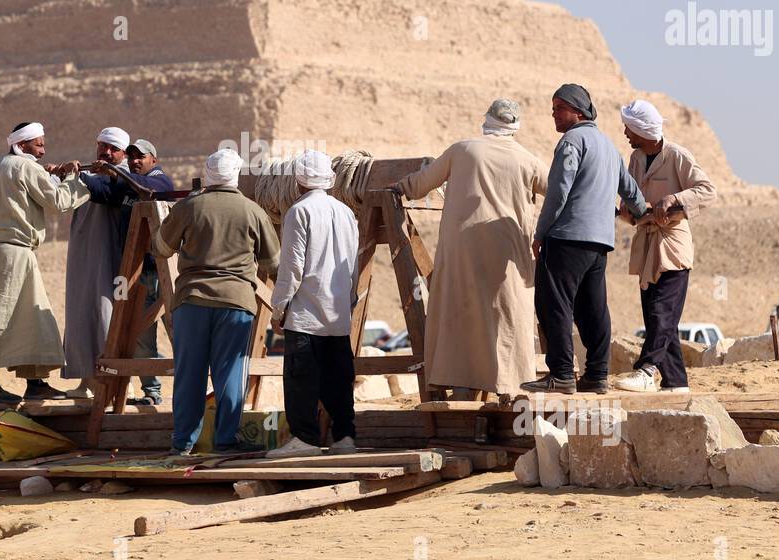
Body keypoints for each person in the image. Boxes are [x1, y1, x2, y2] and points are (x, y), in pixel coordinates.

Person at [393, 99, 548, 398]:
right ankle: (509, 387)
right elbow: (559, 191)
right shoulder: (528, 160)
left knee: (462, 312)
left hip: (462, 248)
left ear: (487, 120)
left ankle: (462, 385)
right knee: (506, 315)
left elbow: (419, 184)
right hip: (508, 253)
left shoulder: (462, 150)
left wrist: (397, 188)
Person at [153, 148, 279, 455]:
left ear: (208, 174)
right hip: (236, 302)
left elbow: (161, 247)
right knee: (231, 374)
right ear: (235, 175)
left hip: (192, 300)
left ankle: (183, 443)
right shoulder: (253, 211)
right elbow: (273, 263)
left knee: (189, 374)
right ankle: (226, 441)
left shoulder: (189, 206)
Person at [524, 84, 648, 395]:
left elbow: (558, 193)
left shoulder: (571, 142)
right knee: (593, 308)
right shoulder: (607, 145)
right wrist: (643, 213)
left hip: (566, 238)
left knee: (554, 305)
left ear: (577, 110)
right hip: (600, 243)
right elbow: (631, 192)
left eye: (558, 108)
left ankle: (562, 374)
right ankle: (596, 375)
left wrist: (540, 233)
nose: (553, 114)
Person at [0, 121, 89, 403]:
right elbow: (58, 203)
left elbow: (22, 196)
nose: (42, 151)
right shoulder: (25, 167)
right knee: (4, 312)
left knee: (32, 317)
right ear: (22, 144)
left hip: (0, 249)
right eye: (38, 145)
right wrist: (74, 178)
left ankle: (35, 383)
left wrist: (51, 176)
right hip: (14, 250)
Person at [610, 99, 717, 393]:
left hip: (672, 246)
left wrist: (675, 199)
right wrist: (626, 210)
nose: (625, 134)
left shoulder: (677, 156)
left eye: (629, 129)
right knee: (658, 317)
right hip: (647, 246)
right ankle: (676, 383)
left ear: (642, 130)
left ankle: (646, 371)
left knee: (661, 314)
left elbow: (707, 191)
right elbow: (631, 202)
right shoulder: (634, 158)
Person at [266, 151, 360, 457]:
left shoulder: (298, 211)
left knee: (301, 378)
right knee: (339, 379)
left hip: (306, 313)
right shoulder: (346, 213)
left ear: (299, 179)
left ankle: (304, 440)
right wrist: (349, 301)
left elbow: (291, 267)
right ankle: (345, 438)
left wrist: (279, 307)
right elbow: (353, 265)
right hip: (338, 313)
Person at [63, 127, 132, 400]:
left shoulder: (126, 177)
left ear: (123, 153)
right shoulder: (90, 175)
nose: (106, 152)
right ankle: (84, 380)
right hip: (81, 257)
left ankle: (114, 384)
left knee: (106, 315)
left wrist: (78, 174)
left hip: (108, 257)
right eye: (103, 146)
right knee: (79, 315)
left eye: (113, 148)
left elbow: (110, 192)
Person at [118, 139, 175, 406]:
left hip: (164, 272)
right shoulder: (129, 184)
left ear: (154, 159)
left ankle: (192, 390)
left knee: (179, 333)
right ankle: (151, 392)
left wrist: (116, 173)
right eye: (131, 158)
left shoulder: (158, 179)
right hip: (139, 274)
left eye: (140, 157)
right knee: (141, 337)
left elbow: (153, 189)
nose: (134, 161)